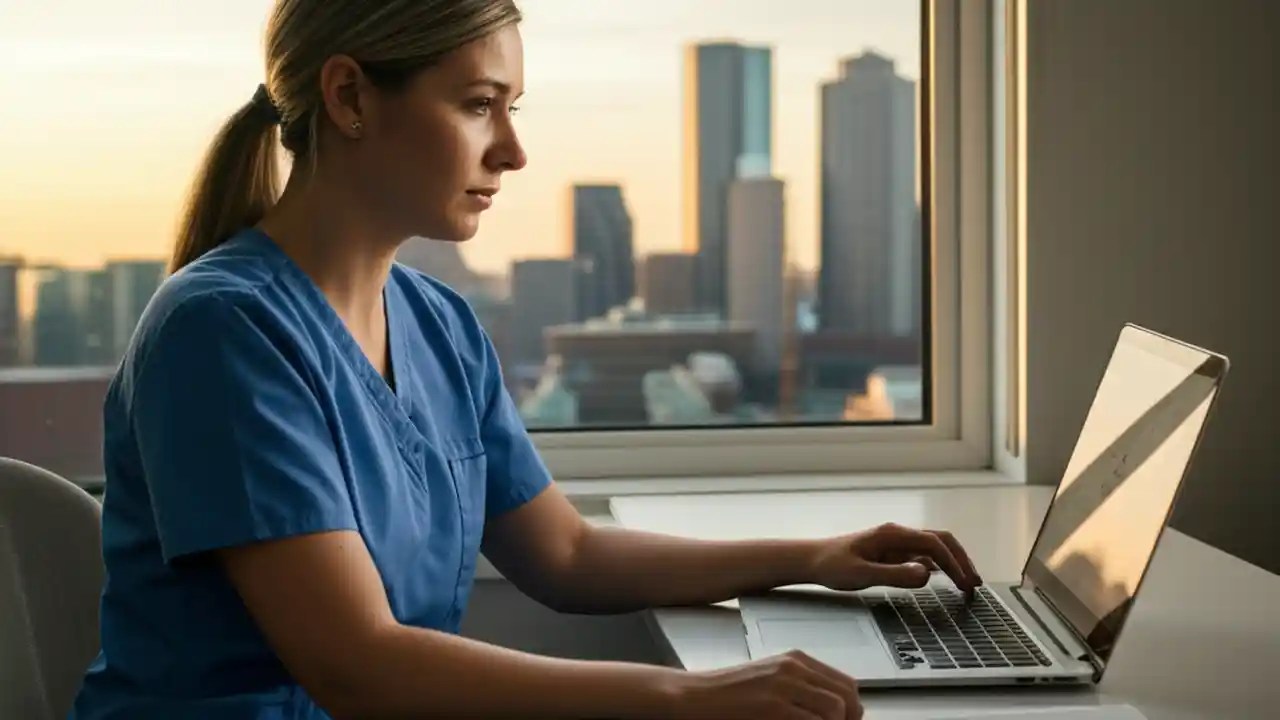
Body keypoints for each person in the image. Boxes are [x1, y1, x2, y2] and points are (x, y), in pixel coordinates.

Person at [69, 1, 983, 718]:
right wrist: (690, 696)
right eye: (477, 106)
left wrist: (813, 556)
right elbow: (361, 669)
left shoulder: (439, 325)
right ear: (348, 97)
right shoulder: (220, 332)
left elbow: (568, 554)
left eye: (511, 110)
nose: (511, 150)